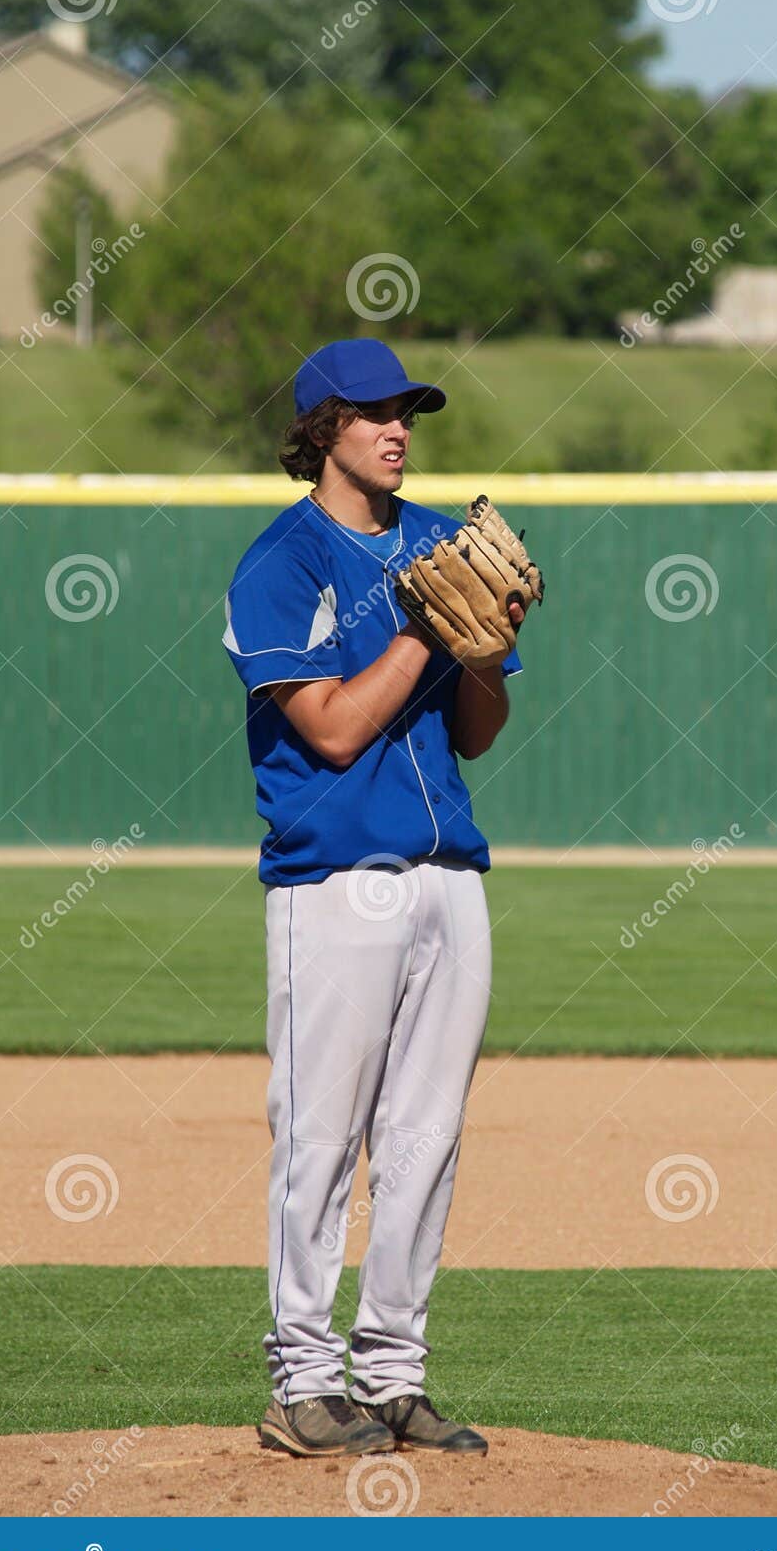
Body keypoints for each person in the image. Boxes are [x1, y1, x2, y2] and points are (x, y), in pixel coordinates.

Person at [223, 338, 525, 1458]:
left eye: (408, 410)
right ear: (320, 431)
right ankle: (304, 1381)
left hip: (452, 880)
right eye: (374, 412)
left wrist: (485, 655)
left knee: (424, 1138)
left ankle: (393, 1377)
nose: (398, 428)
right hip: (332, 884)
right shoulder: (282, 562)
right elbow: (337, 730)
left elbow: (478, 733)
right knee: (318, 1138)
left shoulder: (444, 540)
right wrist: (422, 628)